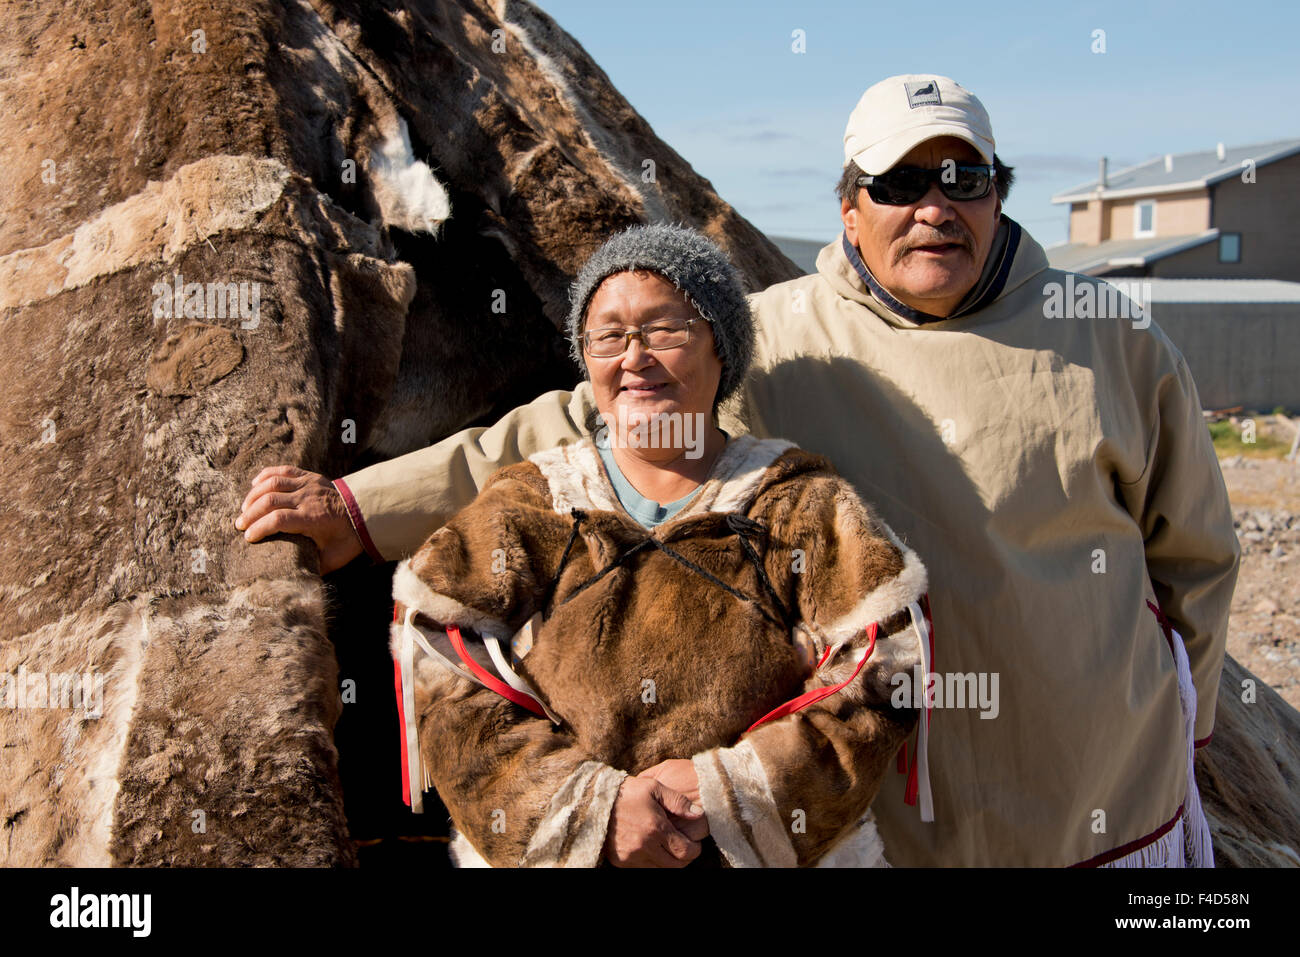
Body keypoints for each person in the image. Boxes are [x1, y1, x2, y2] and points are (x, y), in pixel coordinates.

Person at [238, 75, 1240, 867]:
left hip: (1099, 798)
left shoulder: (1110, 338)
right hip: (891, 811)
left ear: (994, 193)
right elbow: (576, 423)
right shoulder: (778, 337)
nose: (933, 207)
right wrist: (361, 507)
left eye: (962, 179)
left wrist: (1179, 732)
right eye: (898, 184)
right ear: (850, 209)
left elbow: (1194, 561)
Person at [390, 224, 930, 867]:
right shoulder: (538, 500)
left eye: (666, 330)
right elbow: (435, 645)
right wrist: (586, 809)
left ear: (721, 350)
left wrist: (728, 794)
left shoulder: (795, 502)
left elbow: (887, 655)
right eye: (608, 336)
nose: (634, 357)